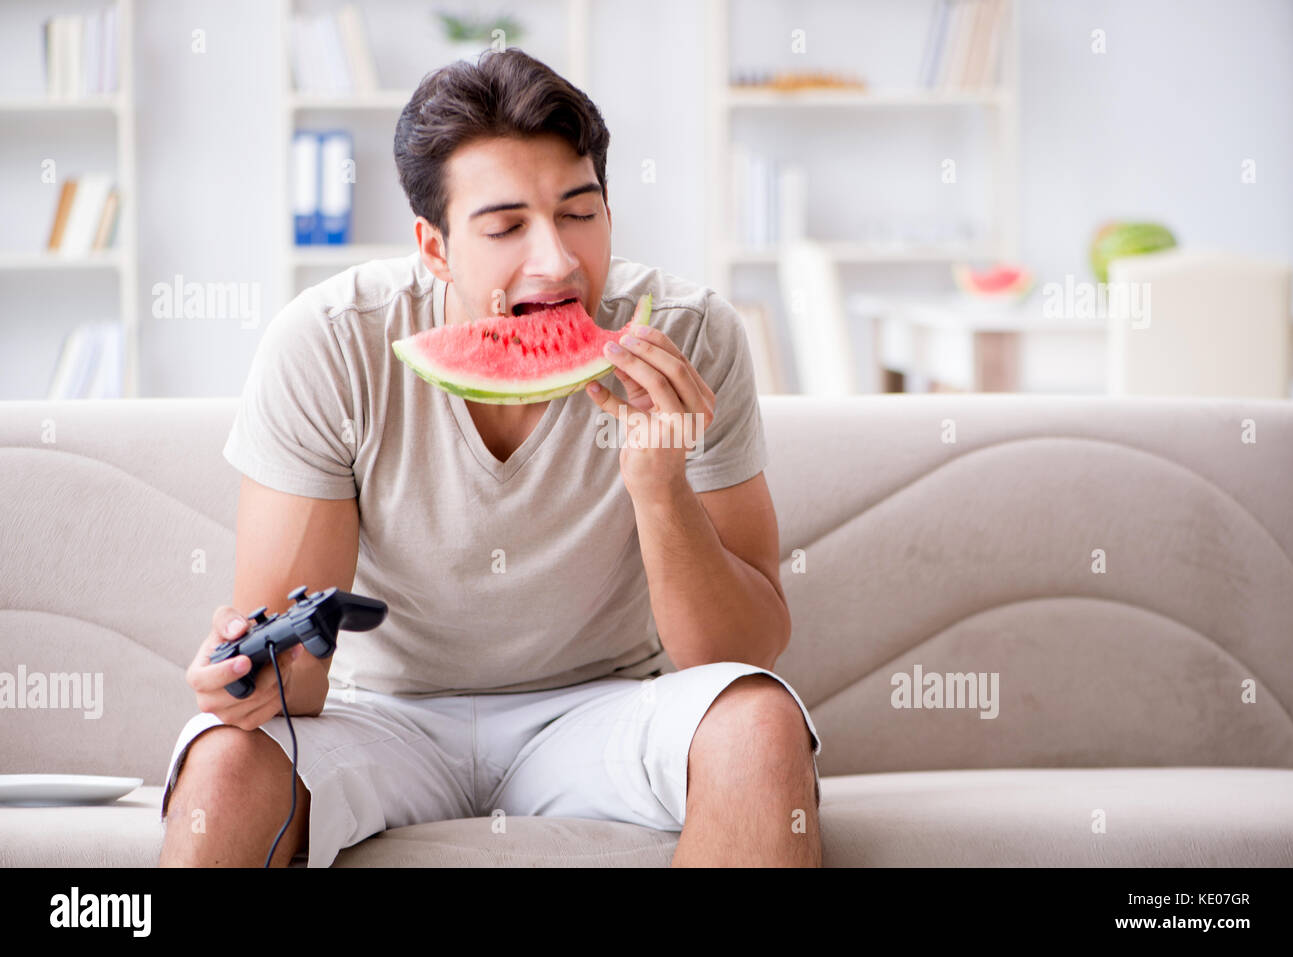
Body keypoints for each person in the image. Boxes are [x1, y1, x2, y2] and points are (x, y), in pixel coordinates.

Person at [158, 47, 822, 868]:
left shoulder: (689, 335)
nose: (558, 259)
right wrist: (248, 677)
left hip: (602, 708)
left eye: (580, 212)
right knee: (222, 762)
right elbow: (295, 684)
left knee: (760, 723)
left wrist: (658, 487)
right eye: (506, 227)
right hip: (387, 716)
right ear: (433, 247)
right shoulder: (331, 344)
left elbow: (742, 652)